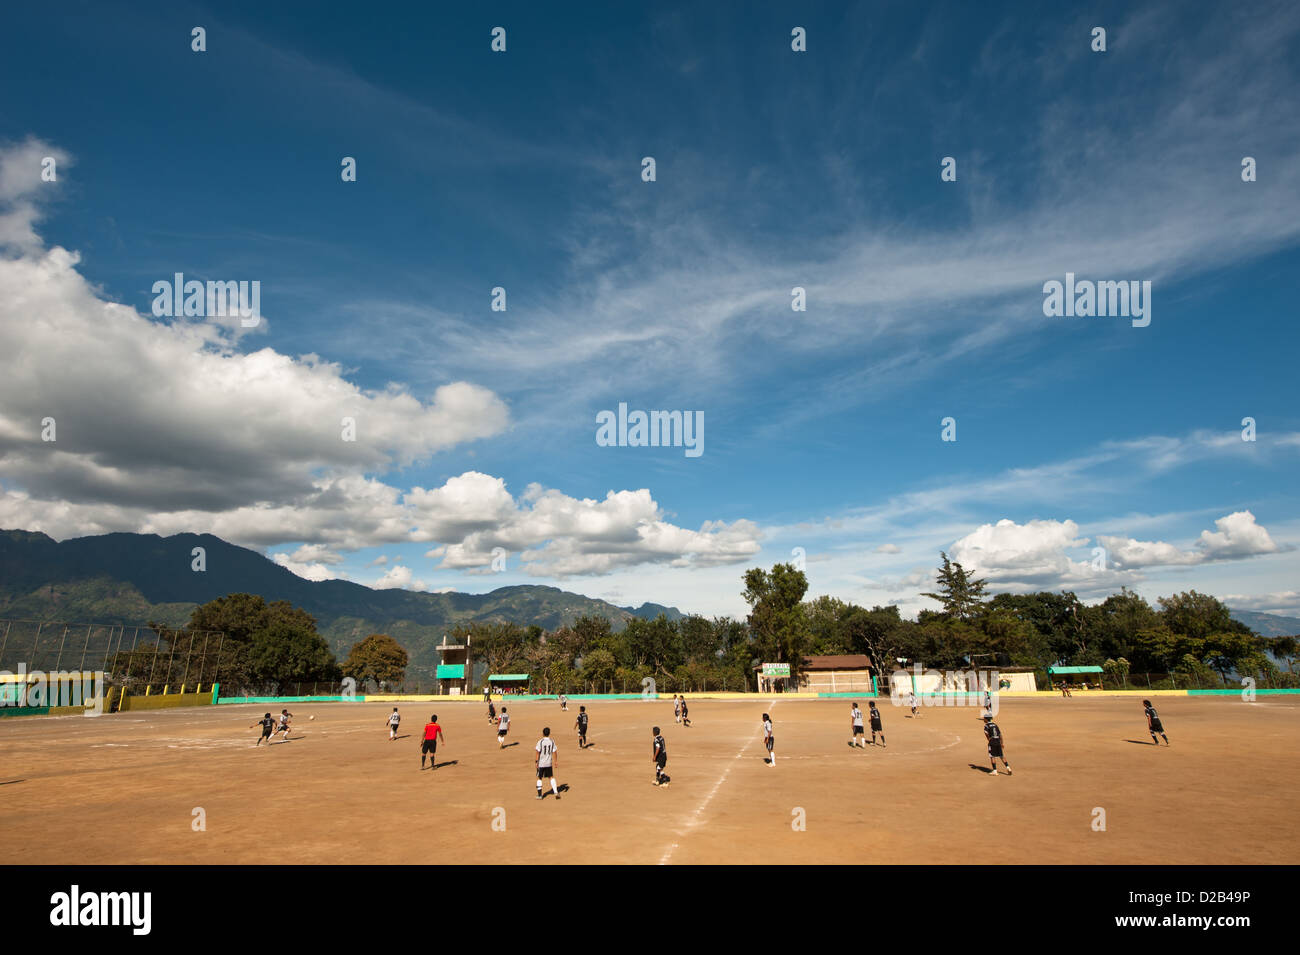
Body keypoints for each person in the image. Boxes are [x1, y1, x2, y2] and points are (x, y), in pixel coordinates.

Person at [535, 727, 560, 800]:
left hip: (541, 763)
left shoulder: (540, 741)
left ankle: (540, 795)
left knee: (539, 778)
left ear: (543, 733)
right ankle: (556, 792)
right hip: (549, 763)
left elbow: (537, 752)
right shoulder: (552, 741)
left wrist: (536, 762)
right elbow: (554, 752)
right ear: (549, 733)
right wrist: (555, 762)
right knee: (551, 777)